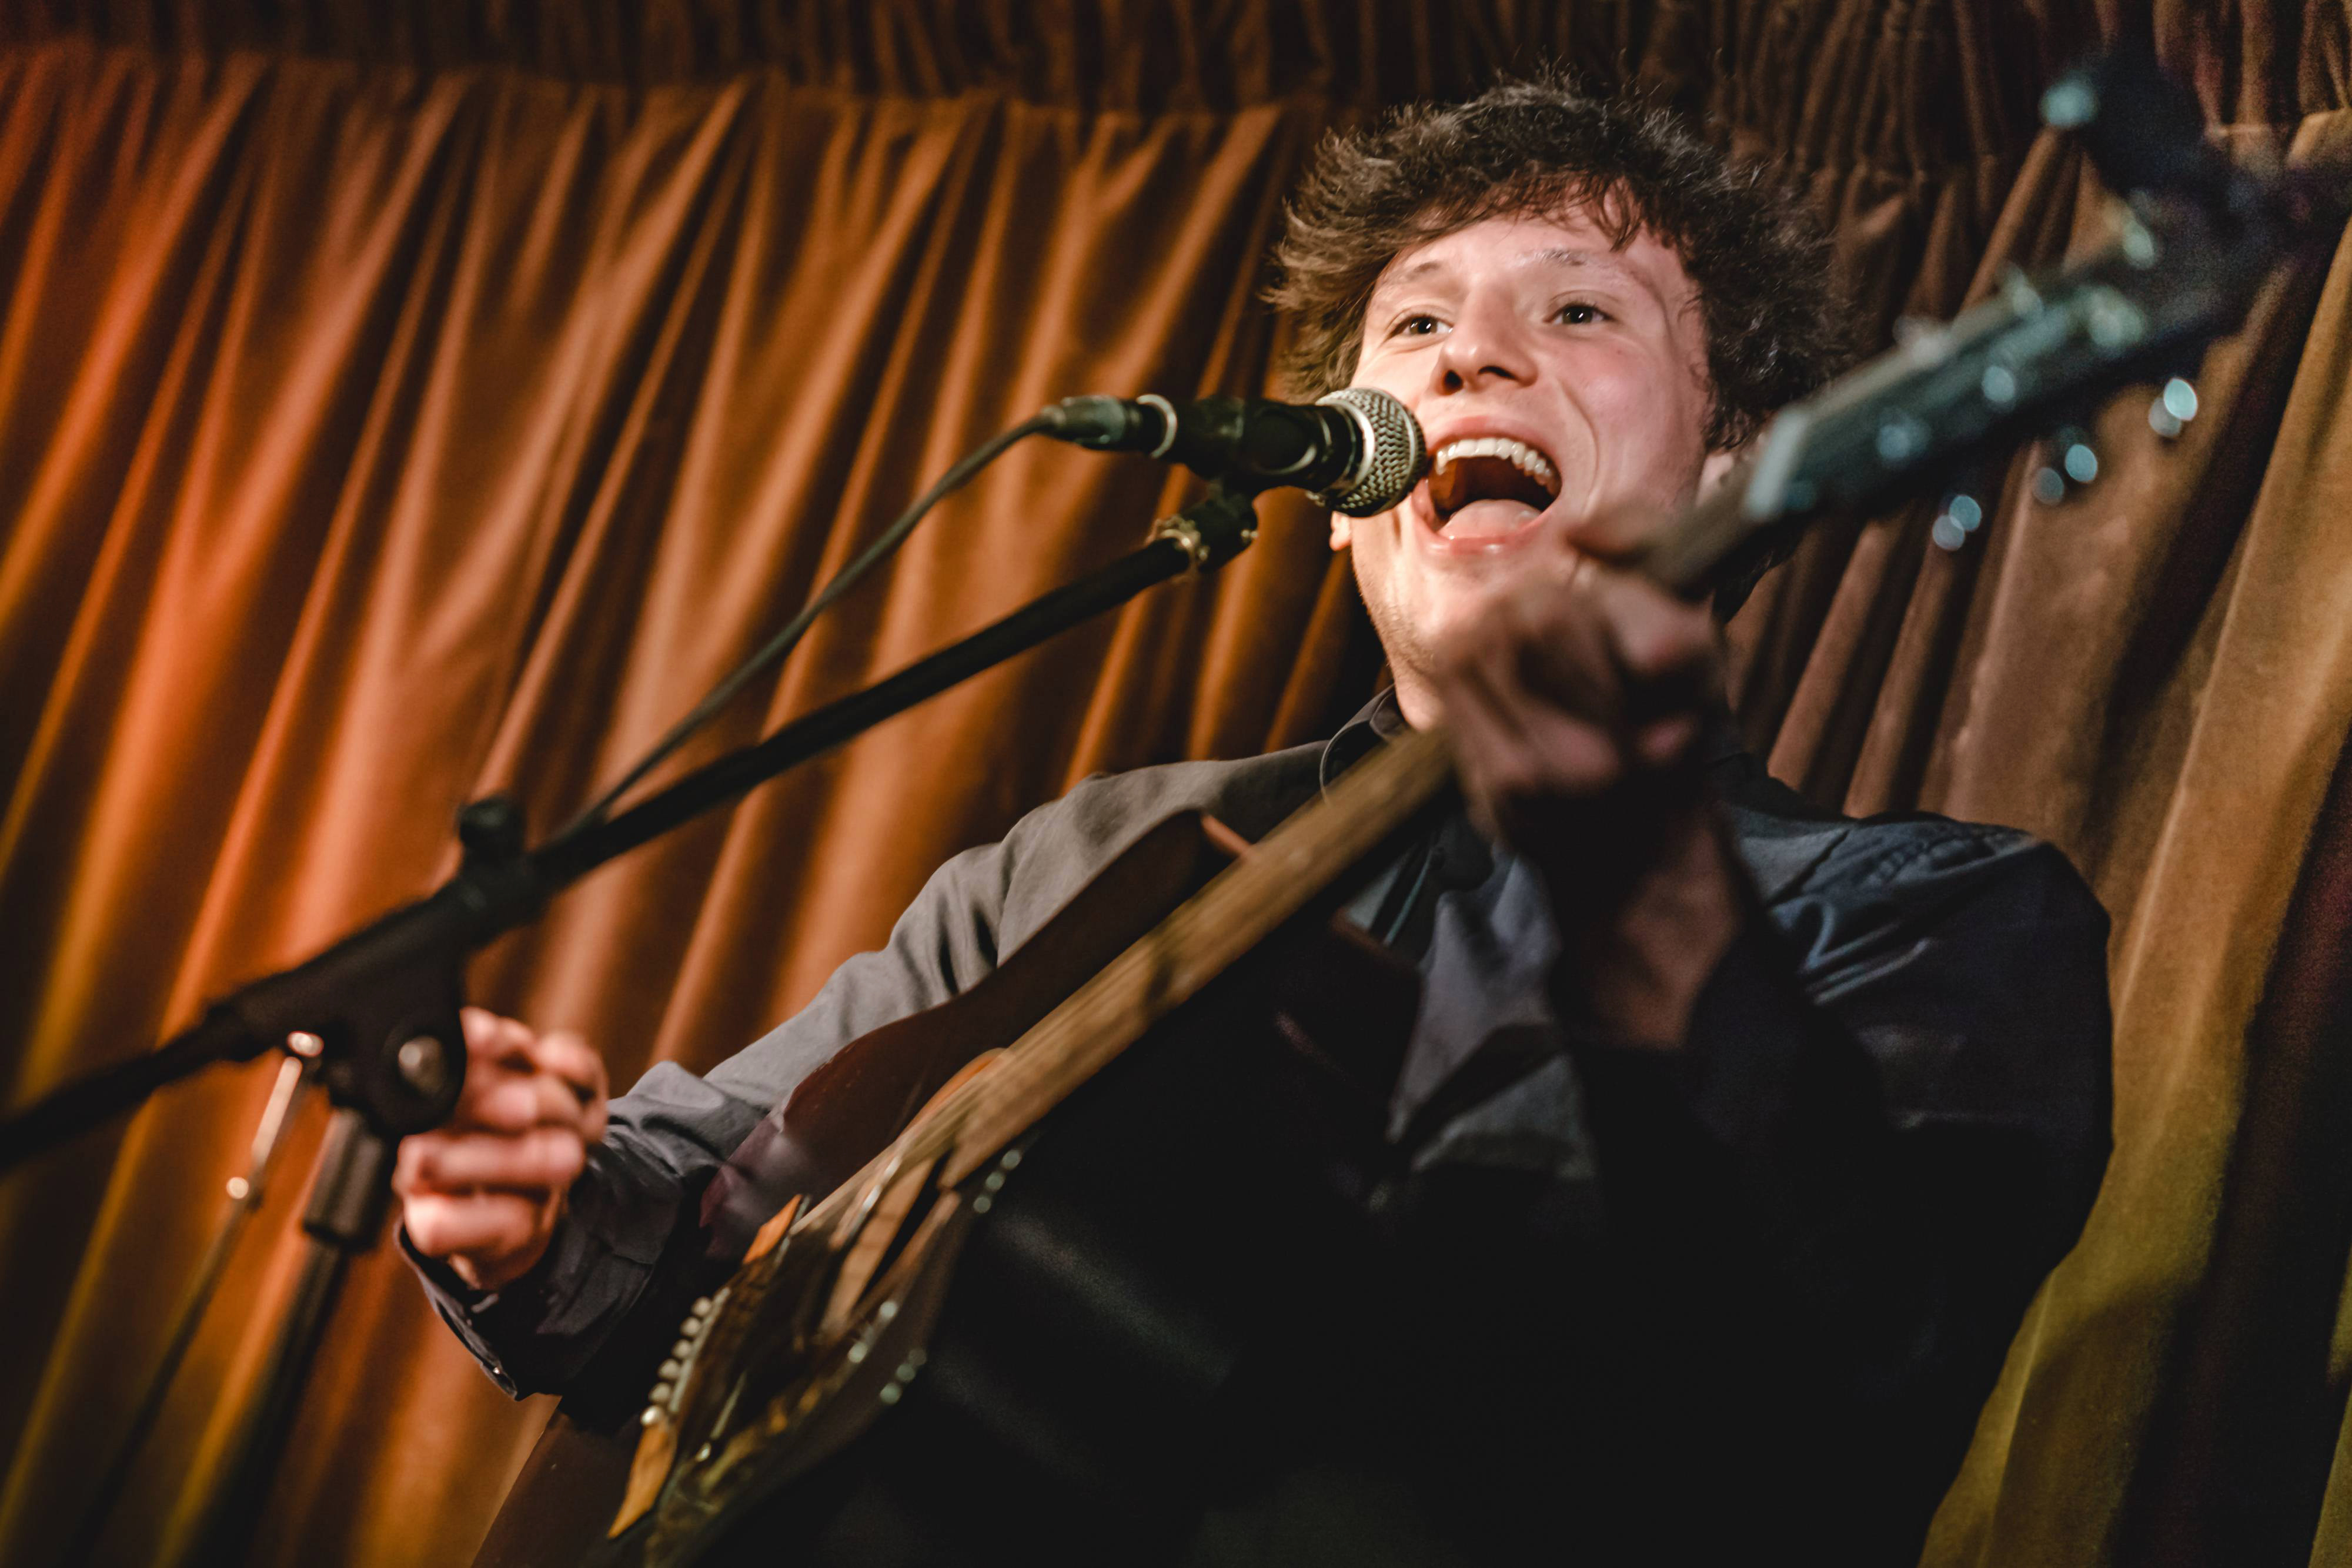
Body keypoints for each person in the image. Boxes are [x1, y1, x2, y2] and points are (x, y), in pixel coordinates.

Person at [397, 77, 2112, 1564]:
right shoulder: (1083, 860)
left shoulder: (1924, 918)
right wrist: (526, 1209)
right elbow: (700, 1224)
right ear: (1335, 500)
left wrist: (1648, 897)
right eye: (1416, 323)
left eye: (1577, 313)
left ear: (1738, 457)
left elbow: (1827, 1410)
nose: (1475, 355)